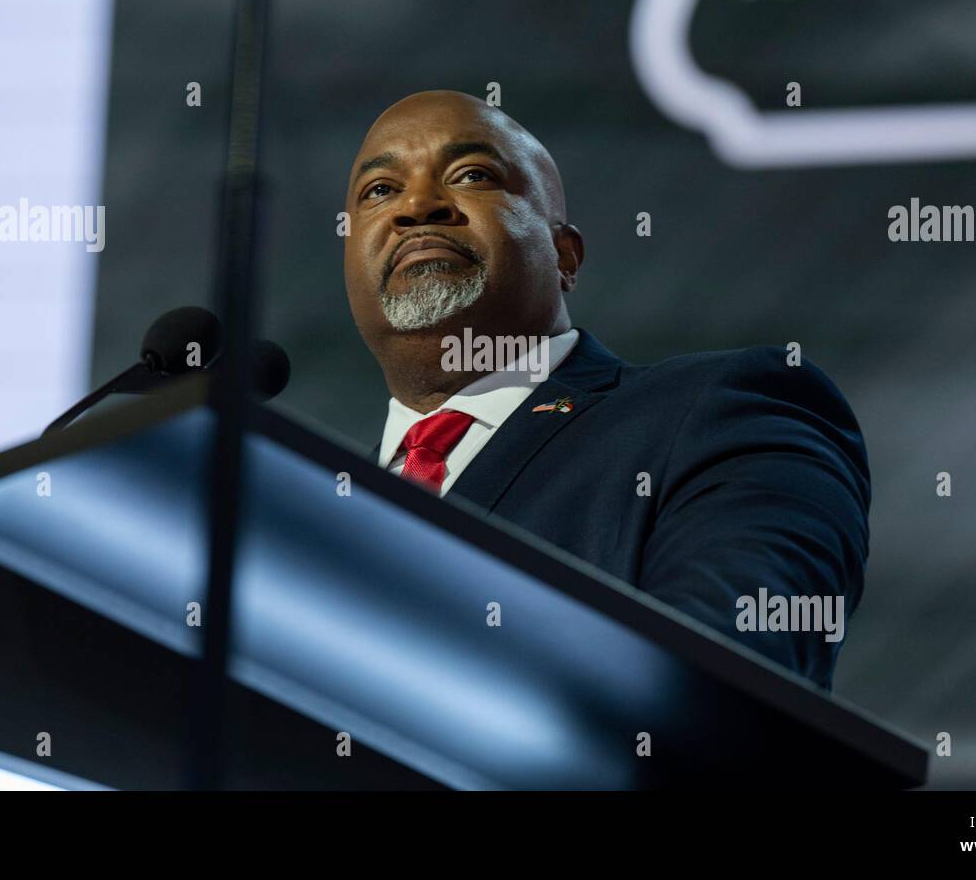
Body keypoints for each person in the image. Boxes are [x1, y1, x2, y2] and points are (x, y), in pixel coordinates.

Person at [342, 90, 870, 690]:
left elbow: (718, 680)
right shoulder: (311, 511)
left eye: (473, 175)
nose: (418, 205)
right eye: (380, 191)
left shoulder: (721, 411)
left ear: (566, 256)